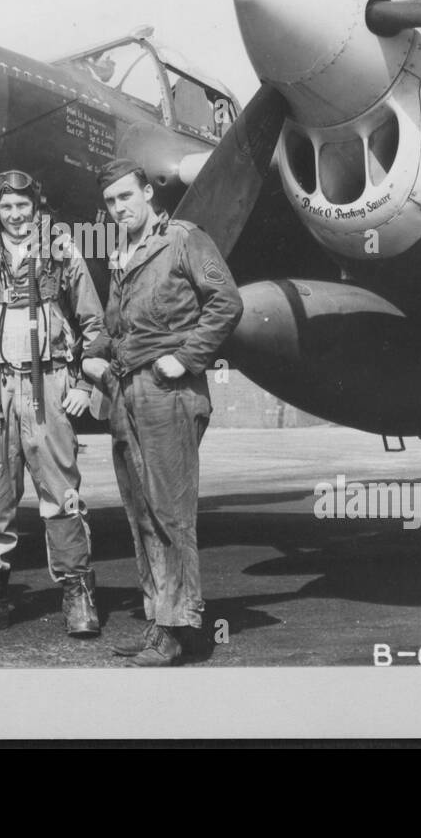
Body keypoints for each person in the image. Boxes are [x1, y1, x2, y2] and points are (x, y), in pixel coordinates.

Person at [88, 159, 243, 667]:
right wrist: (91, 350)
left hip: (167, 391)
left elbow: (226, 301)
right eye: (110, 202)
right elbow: (116, 326)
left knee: (170, 513)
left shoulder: (183, 239)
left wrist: (186, 357)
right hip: (127, 393)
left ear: (147, 194)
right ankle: (161, 620)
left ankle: (178, 628)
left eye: (126, 197)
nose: (119, 208)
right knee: (141, 514)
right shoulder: (123, 255)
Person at [0, 169, 107, 637]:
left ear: (37, 207)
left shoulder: (62, 251)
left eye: (24, 206)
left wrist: (83, 386)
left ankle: (77, 592)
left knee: (61, 492)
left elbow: (93, 323)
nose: (16, 215)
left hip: (49, 387)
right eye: (7, 208)